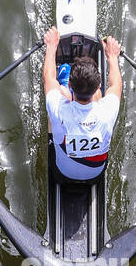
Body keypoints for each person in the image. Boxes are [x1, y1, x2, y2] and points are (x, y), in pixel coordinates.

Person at [43, 26, 122, 182]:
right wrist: (112, 56)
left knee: (59, 94)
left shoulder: (59, 109)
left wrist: (51, 47)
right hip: (96, 175)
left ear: (73, 86)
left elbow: (49, 78)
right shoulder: (108, 109)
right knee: (99, 97)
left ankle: (65, 81)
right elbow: (116, 86)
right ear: (98, 84)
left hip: (61, 174)